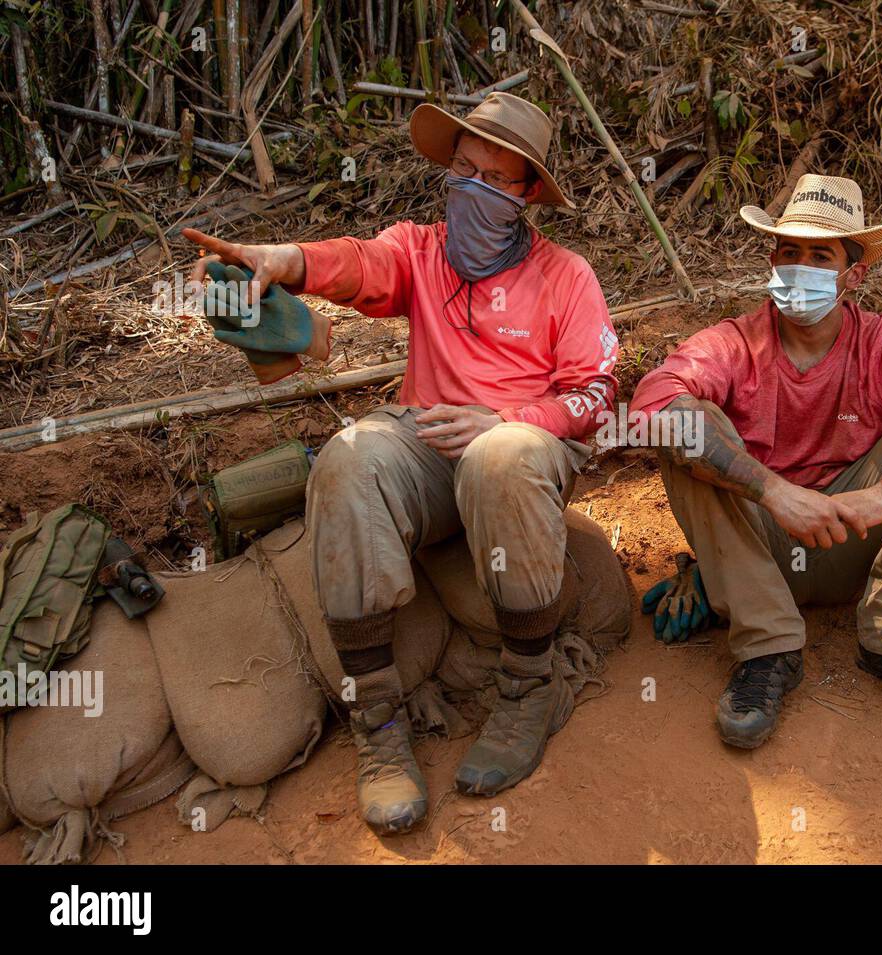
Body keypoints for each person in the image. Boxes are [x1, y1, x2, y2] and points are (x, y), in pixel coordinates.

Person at [185, 93, 619, 834]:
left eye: (493, 178)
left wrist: (510, 417)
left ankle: (528, 686)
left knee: (500, 456)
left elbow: (599, 394)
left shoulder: (565, 276)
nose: (471, 188)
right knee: (347, 460)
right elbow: (361, 264)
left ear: (525, 195)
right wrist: (283, 261)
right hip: (424, 449)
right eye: (463, 169)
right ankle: (379, 721)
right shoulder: (420, 251)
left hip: (517, 455)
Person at [632, 174, 882, 749]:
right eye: (789, 252)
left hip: (852, 538)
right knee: (687, 425)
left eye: (820, 256)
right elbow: (653, 403)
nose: (800, 267)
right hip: (763, 543)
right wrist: (774, 493)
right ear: (771, 261)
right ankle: (769, 649)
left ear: (853, 275)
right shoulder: (731, 343)